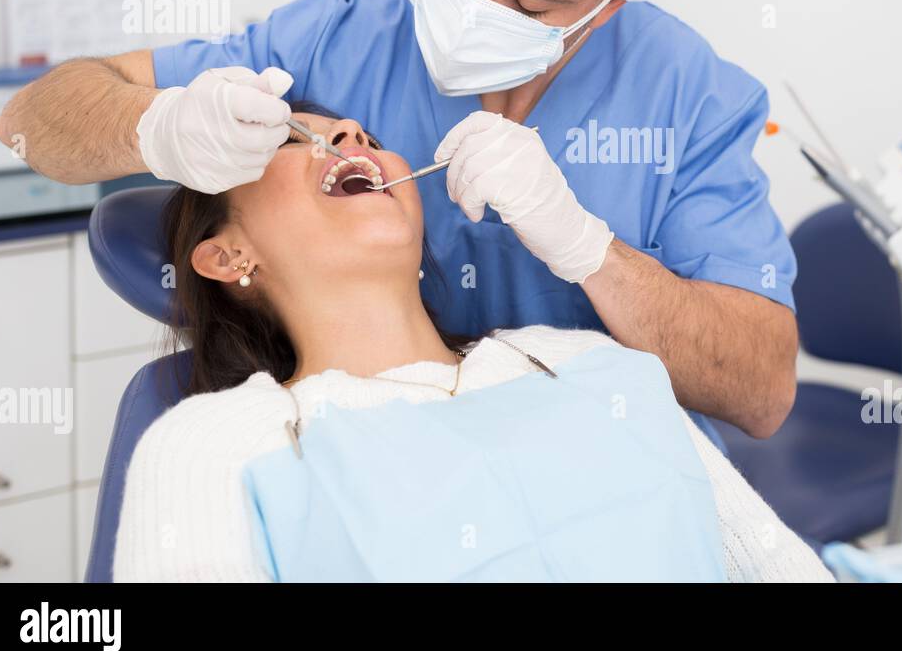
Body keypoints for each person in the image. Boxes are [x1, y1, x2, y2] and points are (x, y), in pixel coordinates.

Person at [0, 0, 797, 438]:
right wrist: (156, 127)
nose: (475, 6)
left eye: (526, 0)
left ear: (607, 4)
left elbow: (761, 394)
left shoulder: (687, 94)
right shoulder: (341, 36)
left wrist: (590, 251)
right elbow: (31, 119)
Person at [113, 106, 832, 582]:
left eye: (361, 133)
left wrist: (590, 243)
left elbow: (782, 571)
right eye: (289, 138)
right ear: (227, 256)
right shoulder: (215, 446)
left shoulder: (586, 363)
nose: (353, 135)